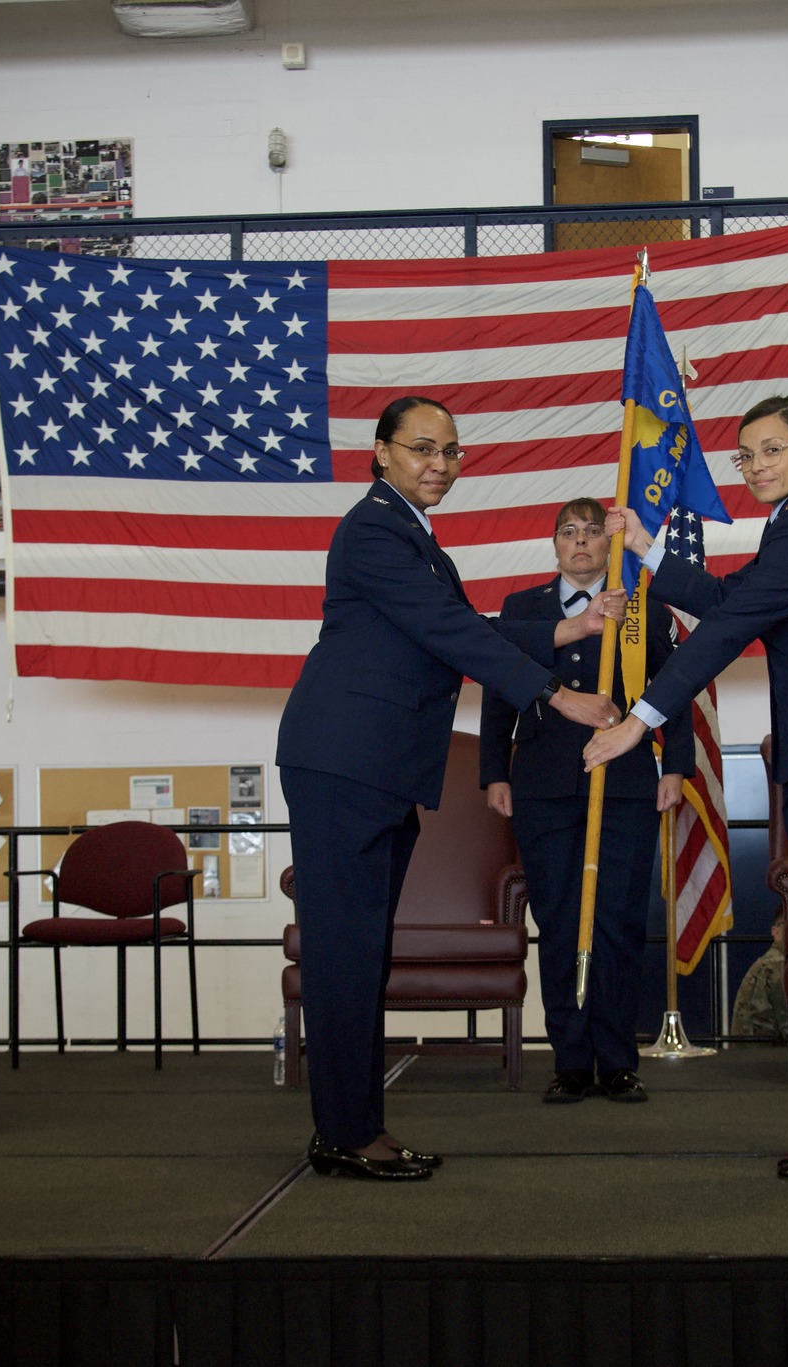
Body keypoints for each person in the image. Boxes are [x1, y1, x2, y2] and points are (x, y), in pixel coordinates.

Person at [275, 396, 622, 1182]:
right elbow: (447, 627)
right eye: (423, 448)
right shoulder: (372, 527)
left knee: (364, 954)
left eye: (453, 451)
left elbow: (461, 621)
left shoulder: (414, 536)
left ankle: (356, 1127)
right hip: (344, 763)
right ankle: (344, 1135)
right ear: (381, 452)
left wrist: (567, 628)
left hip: (379, 769)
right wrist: (557, 691)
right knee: (344, 956)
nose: (440, 464)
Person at [584, 395, 788, 1180]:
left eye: (772, 450)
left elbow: (729, 632)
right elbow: (734, 601)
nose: (758, 465)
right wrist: (652, 553)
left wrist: (643, 720)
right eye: (747, 455)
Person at [481, 498, 692, 1105]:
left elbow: (672, 689)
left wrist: (675, 766)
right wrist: (495, 771)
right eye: (568, 533)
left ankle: (618, 1061)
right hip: (544, 787)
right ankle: (571, 1062)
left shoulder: (641, 611)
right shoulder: (523, 612)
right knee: (560, 919)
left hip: (624, 783)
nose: (580, 543)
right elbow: (500, 693)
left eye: (593, 532)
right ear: (554, 545)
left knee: (619, 923)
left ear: (610, 543)